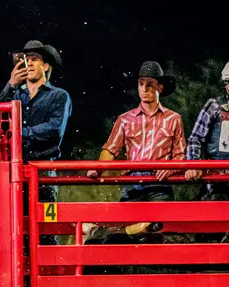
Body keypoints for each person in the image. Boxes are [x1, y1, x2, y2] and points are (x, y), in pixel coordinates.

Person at [87, 61, 185, 202]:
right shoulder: (124, 119)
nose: (144, 88)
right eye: (141, 84)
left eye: (150, 84)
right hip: (131, 181)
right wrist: (98, 168)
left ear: (160, 87)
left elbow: (180, 154)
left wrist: (170, 169)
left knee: (158, 212)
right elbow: (111, 149)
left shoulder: (173, 118)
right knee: (127, 212)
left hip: (159, 181)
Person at [0, 40, 72, 203]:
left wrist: (18, 133)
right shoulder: (15, 95)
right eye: (26, 60)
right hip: (14, 171)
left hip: (43, 173)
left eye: (34, 59)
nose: (29, 63)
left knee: (44, 217)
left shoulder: (59, 95)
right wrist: (10, 85)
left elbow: (54, 129)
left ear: (45, 66)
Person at [185, 61, 229, 200]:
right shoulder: (215, 106)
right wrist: (193, 163)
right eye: (228, 82)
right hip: (217, 176)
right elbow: (196, 138)